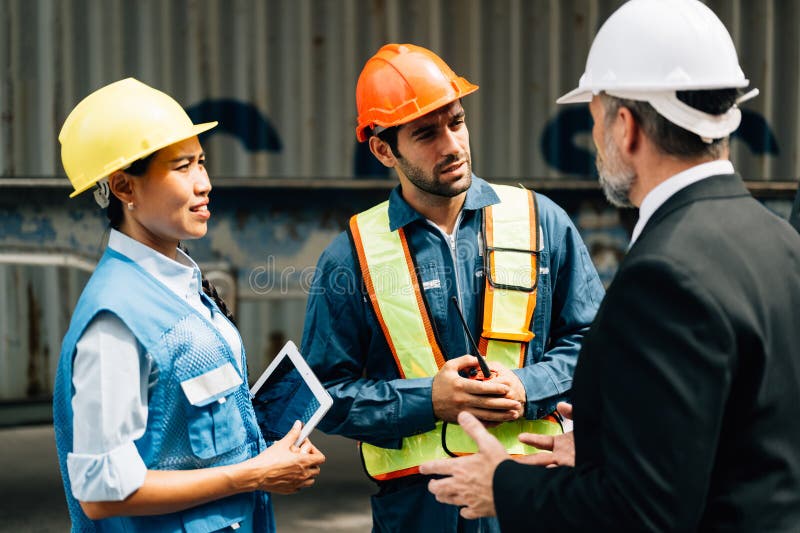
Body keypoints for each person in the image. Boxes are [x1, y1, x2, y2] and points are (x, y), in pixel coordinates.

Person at [420, 1, 800, 531]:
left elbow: (644, 512)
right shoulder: (780, 241)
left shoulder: (665, 276)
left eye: (594, 120)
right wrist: (605, 446)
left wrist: (504, 484)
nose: (596, 143)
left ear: (625, 127)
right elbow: (745, 437)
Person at [301, 43, 604, 532]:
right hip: (418, 511)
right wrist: (429, 400)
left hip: (532, 497)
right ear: (383, 149)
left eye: (456, 122)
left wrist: (528, 386)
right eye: (425, 133)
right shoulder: (351, 255)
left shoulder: (541, 221)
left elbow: (596, 345)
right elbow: (324, 394)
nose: (452, 145)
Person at [53, 78, 326, 532]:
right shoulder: (115, 321)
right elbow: (101, 491)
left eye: (202, 162)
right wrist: (254, 474)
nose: (204, 183)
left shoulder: (182, 283)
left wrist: (268, 452)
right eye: (182, 167)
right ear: (124, 188)